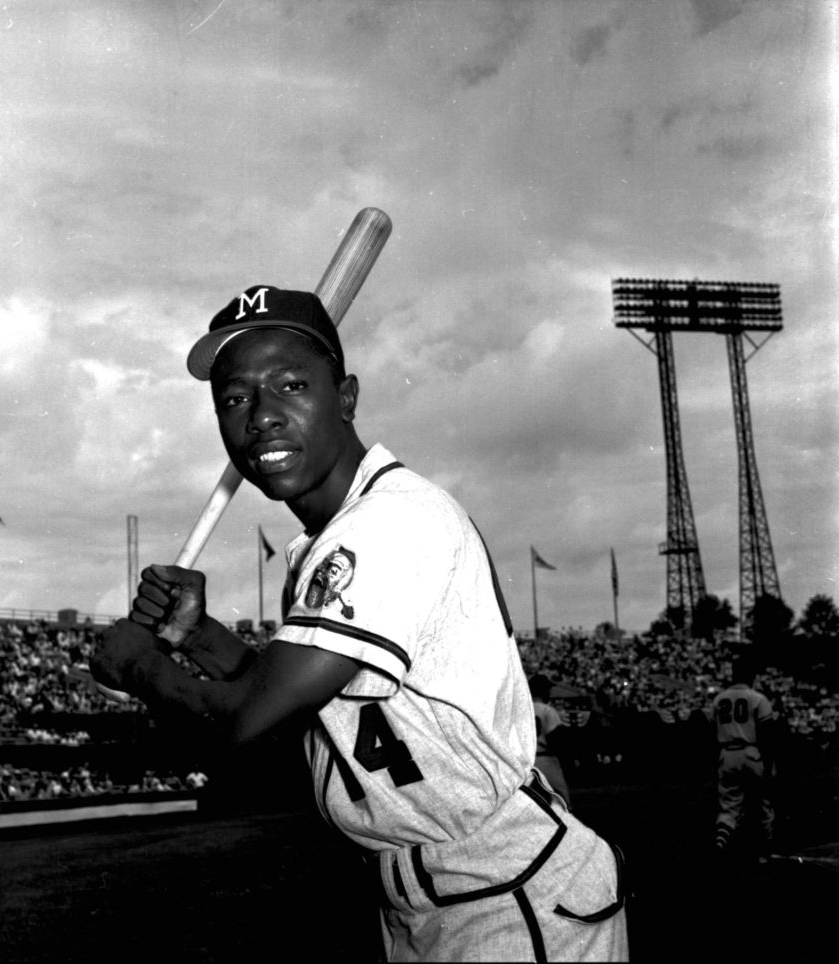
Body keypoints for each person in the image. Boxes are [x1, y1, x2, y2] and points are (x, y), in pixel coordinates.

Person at [92, 284, 628, 961]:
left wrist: (135, 664)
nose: (261, 416)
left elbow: (242, 722)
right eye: (235, 399)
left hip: (507, 891)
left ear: (345, 399)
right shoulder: (329, 544)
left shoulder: (389, 523)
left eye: (290, 385)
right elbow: (302, 710)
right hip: (429, 900)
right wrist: (197, 635)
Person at [709, 651, 776, 860]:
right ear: (751, 676)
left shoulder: (719, 699)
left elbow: (711, 734)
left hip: (727, 753)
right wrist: (769, 763)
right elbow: (766, 735)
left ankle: (720, 845)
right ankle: (764, 854)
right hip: (751, 752)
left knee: (729, 806)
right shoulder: (757, 698)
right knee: (762, 804)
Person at [529, 673, 573, 810]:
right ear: (544, 691)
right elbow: (557, 741)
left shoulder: (521, 710)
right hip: (546, 761)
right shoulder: (548, 711)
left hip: (524, 764)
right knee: (562, 804)